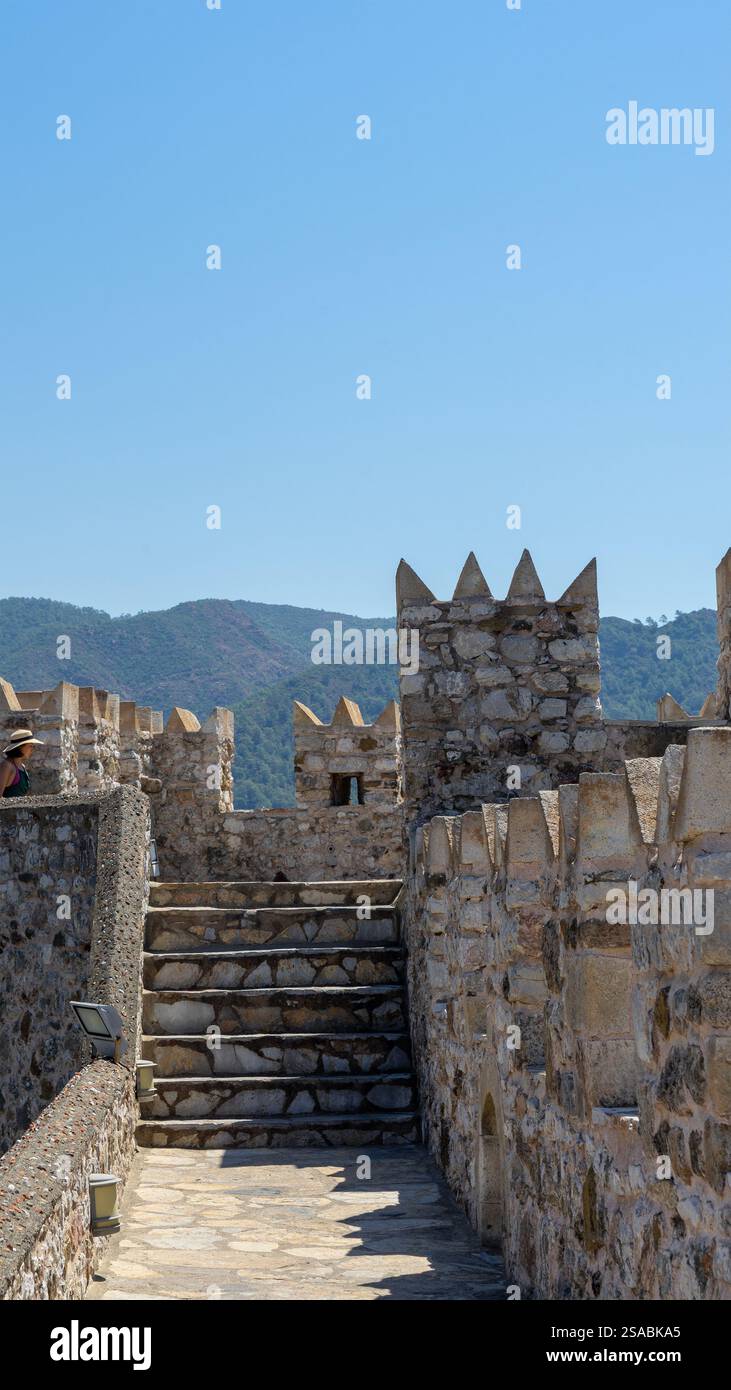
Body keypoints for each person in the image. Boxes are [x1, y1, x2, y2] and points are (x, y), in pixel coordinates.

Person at [0, 728, 44, 798]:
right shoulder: (7, 766)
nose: (32, 749)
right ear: (20, 747)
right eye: (30, 746)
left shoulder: (22, 766)